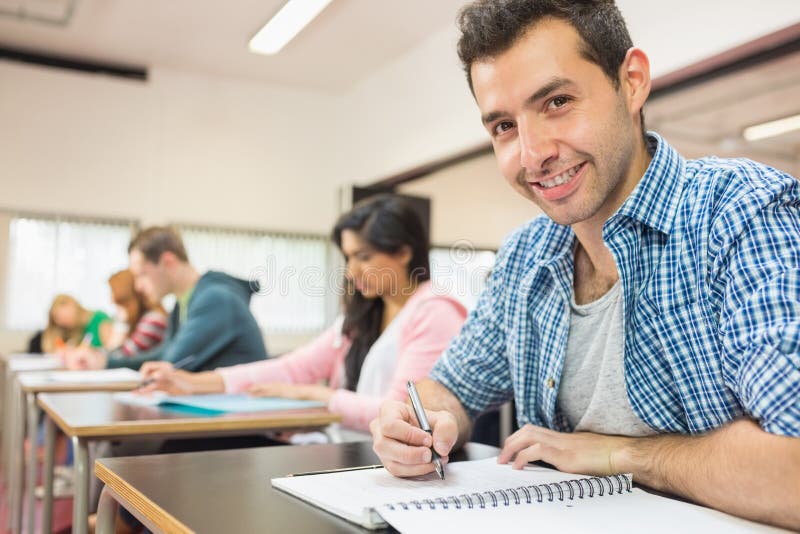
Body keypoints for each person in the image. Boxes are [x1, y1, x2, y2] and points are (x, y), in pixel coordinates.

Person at [369, 1, 800, 530]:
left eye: (557, 101)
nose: (532, 154)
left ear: (632, 82)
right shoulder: (527, 255)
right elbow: (452, 389)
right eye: (504, 125)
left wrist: (621, 455)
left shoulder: (739, 213)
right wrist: (418, 422)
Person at [139, 195, 468, 433]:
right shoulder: (364, 314)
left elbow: (402, 414)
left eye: (363, 256)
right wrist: (193, 383)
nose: (351, 271)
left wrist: (314, 395)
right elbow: (294, 367)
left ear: (404, 252)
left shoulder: (434, 313)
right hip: (350, 451)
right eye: (348, 258)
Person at [65, 226, 268, 371]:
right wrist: (104, 362)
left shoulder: (216, 300)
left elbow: (170, 362)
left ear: (168, 261)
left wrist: (105, 362)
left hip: (234, 424)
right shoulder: (182, 305)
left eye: (141, 274)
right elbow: (164, 353)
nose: (138, 286)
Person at [107, 269, 167, 357]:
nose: (111, 300)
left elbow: (119, 356)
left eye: (113, 292)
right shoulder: (138, 321)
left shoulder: (153, 320)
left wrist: (122, 324)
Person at [42, 294, 113, 353]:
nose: (61, 322)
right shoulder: (74, 331)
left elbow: (111, 350)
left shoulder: (99, 318)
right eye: (57, 319)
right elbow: (49, 347)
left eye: (63, 317)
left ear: (71, 303)